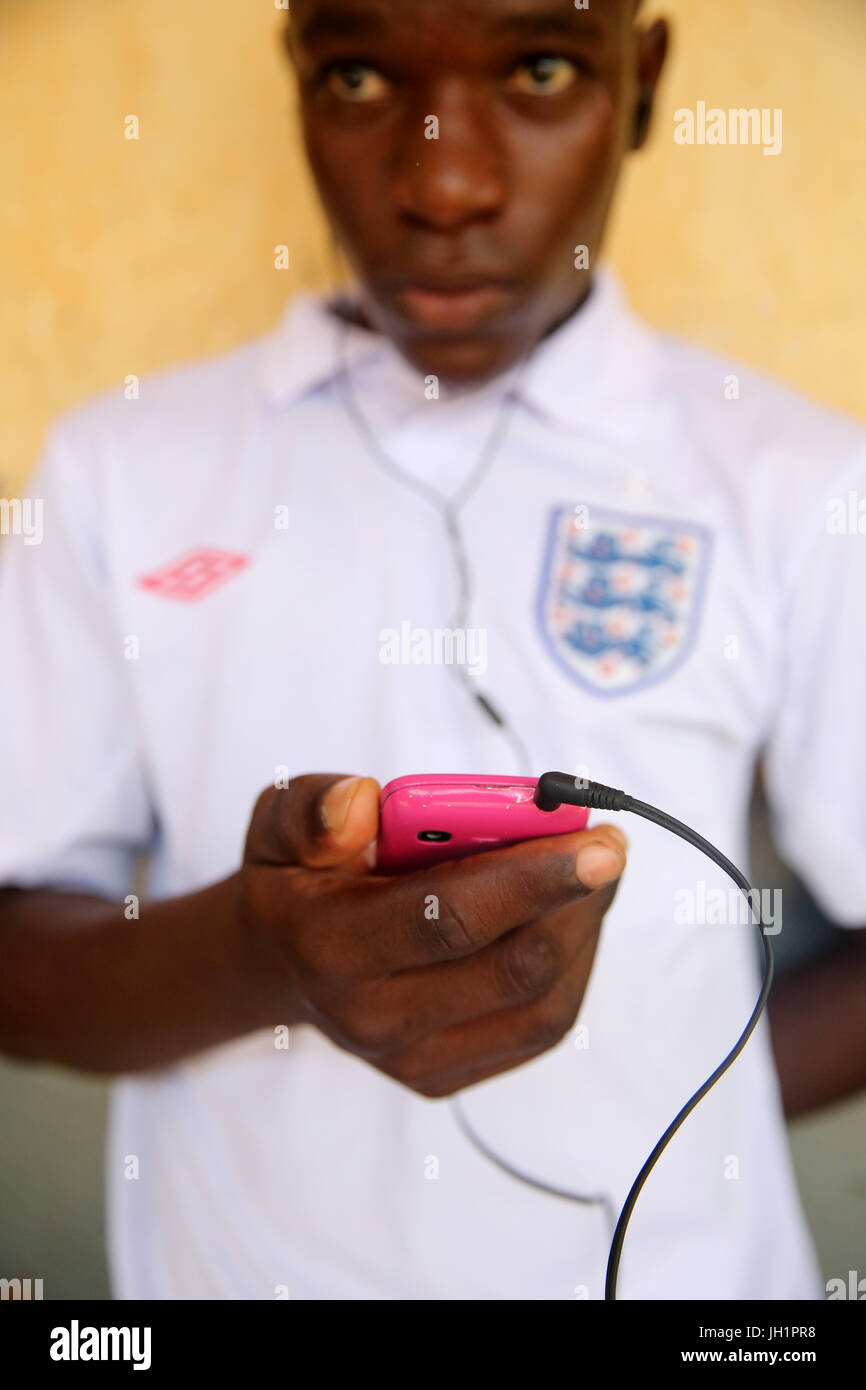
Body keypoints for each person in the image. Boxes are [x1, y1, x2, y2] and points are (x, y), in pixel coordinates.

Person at [1, 0, 864, 1301]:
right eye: (356, 75)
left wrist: (697, 1096)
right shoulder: (120, 468)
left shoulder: (793, 482)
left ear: (640, 88)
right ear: (293, 82)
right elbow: (18, 959)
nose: (443, 181)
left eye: (539, 67)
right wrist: (254, 954)